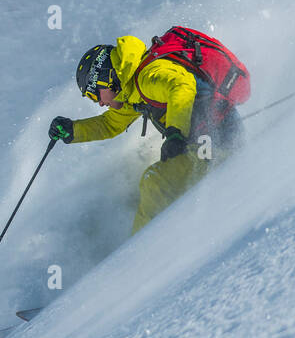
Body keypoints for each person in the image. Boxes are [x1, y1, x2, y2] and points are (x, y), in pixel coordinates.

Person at [49, 30, 246, 233]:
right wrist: (72, 130)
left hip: (219, 142)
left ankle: (142, 256)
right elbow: (110, 125)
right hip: (210, 142)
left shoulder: (147, 77)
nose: (99, 102)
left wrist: (175, 133)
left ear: (106, 78)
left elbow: (182, 87)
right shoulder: (132, 90)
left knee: (155, 183)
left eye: (93, 93)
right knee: (145, 191)